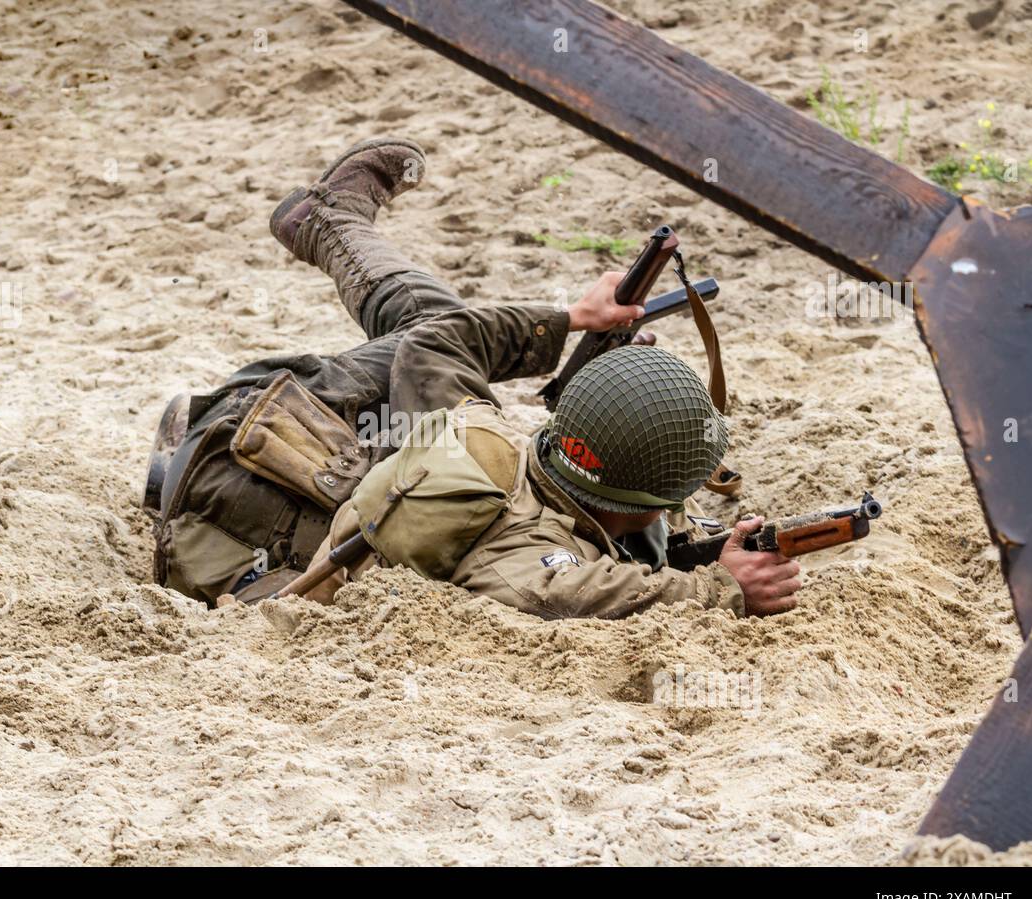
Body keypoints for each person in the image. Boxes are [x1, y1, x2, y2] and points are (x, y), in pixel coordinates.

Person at [144, 138, 801, 617]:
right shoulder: (522, 540)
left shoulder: (479, 435)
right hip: (228, 481)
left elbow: (437, 346)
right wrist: (719, 589)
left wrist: (572, 318)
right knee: (435, 329)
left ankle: (326, 222)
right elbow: (561, 591)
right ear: (640, 506)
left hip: (254, 439)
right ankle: (322, 225)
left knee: (437, 324)